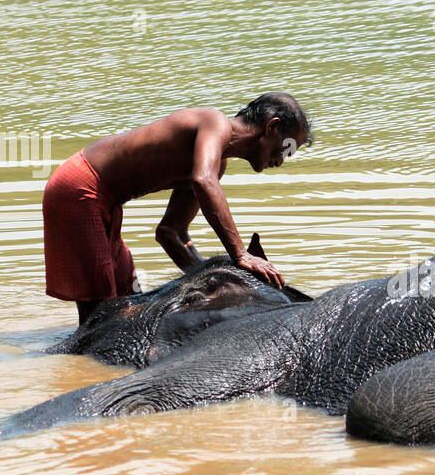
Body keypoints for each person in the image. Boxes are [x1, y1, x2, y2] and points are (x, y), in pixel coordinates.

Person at [42, 92, 312, 324]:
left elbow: (171, 232)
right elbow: (202, 180)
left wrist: (212, 279)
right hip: (81, 187)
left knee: (125, 298)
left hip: (106, 203)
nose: (282, 160)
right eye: (287, 149)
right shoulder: (214, 123)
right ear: (272, 127)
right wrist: (240, 254)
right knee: (99, 315)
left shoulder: (214, 164)